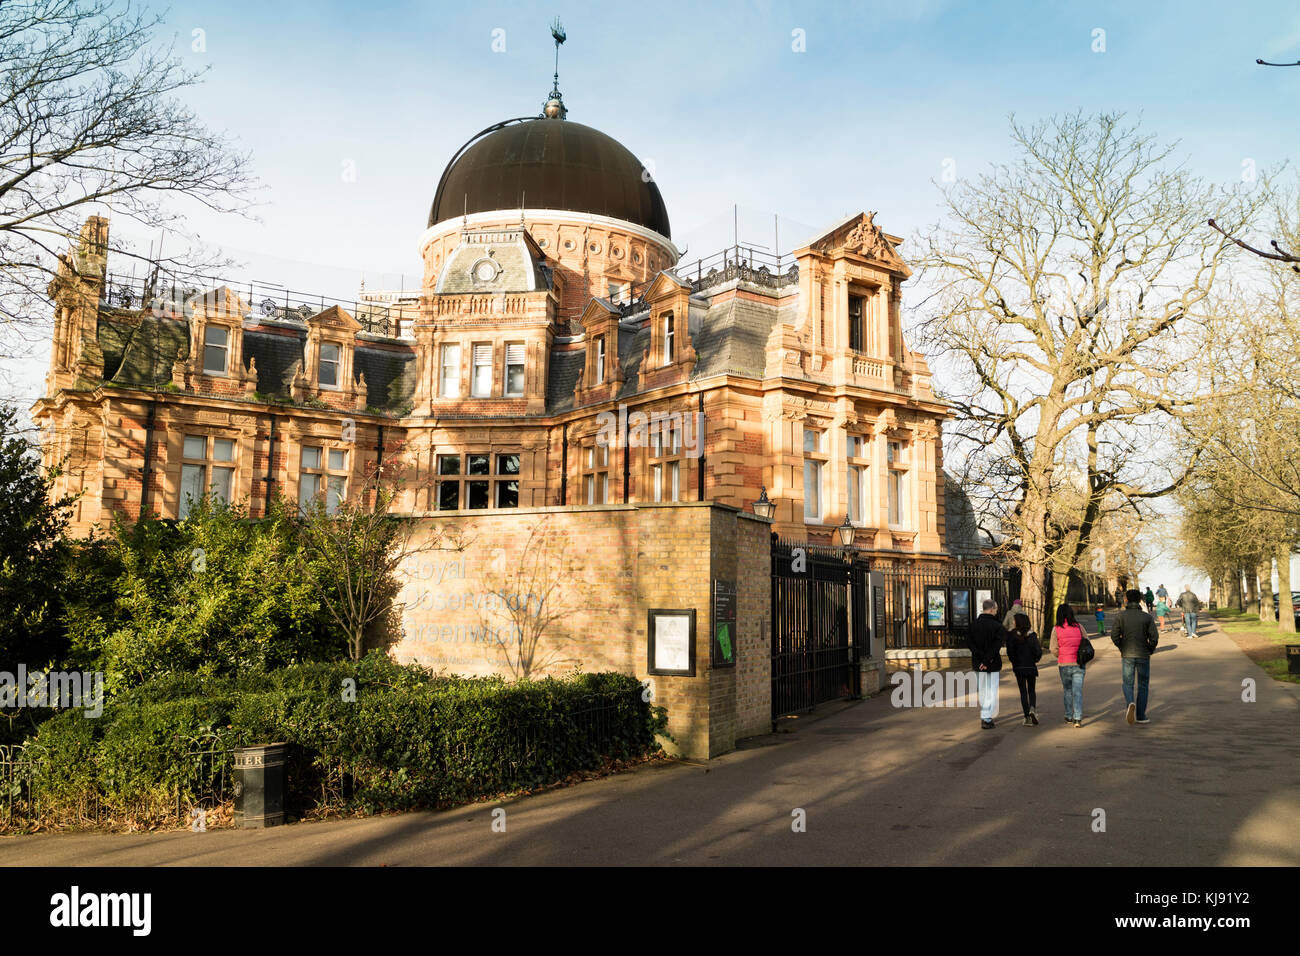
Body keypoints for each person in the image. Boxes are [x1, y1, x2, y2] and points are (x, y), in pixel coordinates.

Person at [1111, 588, 1159, 725]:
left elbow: (1114, 635)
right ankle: (1141, 715)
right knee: (1143, 685)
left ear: (1126, 600)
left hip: (1127, 654)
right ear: (1140, 600)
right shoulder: (1147, 617)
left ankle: (1130, 702)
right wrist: (1150, 649)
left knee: (1128, 683)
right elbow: (1154, 637)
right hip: (1143, 654)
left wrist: (1121, 646)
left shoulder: (1121, 616)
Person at [968, 599, 1007, 729]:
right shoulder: (998, 626)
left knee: (983, 690)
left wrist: (981, 660)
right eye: (995, 609)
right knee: (992, 691)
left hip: (978, 663)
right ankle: (986, 717)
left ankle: (985, 716)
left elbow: (970, 644)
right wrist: (987, 660)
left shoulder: (973, 624)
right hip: (992, 663)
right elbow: (996, 646)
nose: (996, 612)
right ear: (991, 609)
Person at [1051, 604, 1087, 727]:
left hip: (1064, 663)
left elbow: (1053, 648)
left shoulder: (1056, 629)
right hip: (1078, 663)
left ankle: (1068, 715)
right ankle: (1078, 718)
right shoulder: (1079, 627)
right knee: (1077, 691)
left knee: (1067, 690)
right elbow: (1086, 642)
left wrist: (1060, 655)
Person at [1006, 612, 1042, 726]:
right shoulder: (1032, 635)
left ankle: (1027, 717)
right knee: (1031, 690)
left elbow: (1010, 652)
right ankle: (1032, 708)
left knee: (1023, 692)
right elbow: (1038, 651)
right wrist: (1035, 660)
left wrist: (1014, 662)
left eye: (1014, 620)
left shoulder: (1012, 635)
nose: (1013, 622)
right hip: (1031, 666)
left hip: (1019, 667)